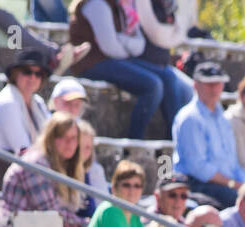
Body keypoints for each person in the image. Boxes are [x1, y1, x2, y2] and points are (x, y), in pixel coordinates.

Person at [67, 0, 193, 140]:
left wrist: (121, 41)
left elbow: (139, 45)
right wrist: (126, 45)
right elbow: (110, 48)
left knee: (168, 76)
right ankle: (134, 142)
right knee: (152, 85)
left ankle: (174, 138)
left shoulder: (121, 6)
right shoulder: (96, 4)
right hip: (92, 64)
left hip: (115, 58)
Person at [0, 113, 88, 227]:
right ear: (50, 138)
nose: (69, 143)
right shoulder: (36, 164)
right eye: (63, 137)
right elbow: (51, 213)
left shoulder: (62, 165)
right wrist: (85, 223)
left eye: (73, 138)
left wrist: (77, 224)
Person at [171, 61, 245, 207]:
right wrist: (234, 184)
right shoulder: (190, 117)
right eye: (208, 83)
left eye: (217, 83)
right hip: (197, 184)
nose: (214, 88)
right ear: (196, 85)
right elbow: (198, 167)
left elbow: (233, 162)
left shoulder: (223, 118)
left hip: (224, 184)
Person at [0, 49, 53, 188]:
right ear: (15, 74)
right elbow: (23, 151)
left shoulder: (37, 102)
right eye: (27, 72)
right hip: (8, 178)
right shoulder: (7, 102)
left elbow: (51, 138)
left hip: (35, 171)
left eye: (38, 74)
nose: (33, 78)